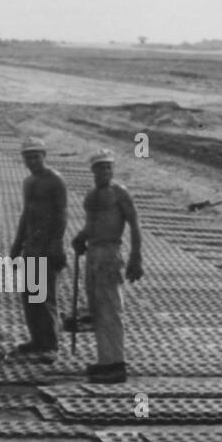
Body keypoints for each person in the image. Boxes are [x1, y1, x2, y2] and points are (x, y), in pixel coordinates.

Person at [71, 149, 143, 383]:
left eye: (108, 167)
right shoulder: (91, 196)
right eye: (100, 167)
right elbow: (92, 224)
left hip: (111, 253)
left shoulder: (119, 193)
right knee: (98, 310)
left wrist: (136, 256)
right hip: (94, 253)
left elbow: (134, 224)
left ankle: (115, 364)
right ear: (93, 170)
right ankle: (105, 361)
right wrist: (81, 237)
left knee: (111, 308)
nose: (105, 172)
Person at [9, 137, 67, 361]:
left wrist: (57, 244)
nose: (32, 160)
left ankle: (50, 344)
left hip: (47, 244)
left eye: (36, 155)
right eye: (28, 156)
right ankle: (37, 339)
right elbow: (26, 214)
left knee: (45, 295)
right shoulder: (28, 181)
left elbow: (61, 213)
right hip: (31, 245)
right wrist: (16, 244)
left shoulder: (55, 180)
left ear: (44, 156)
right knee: (30, 295)